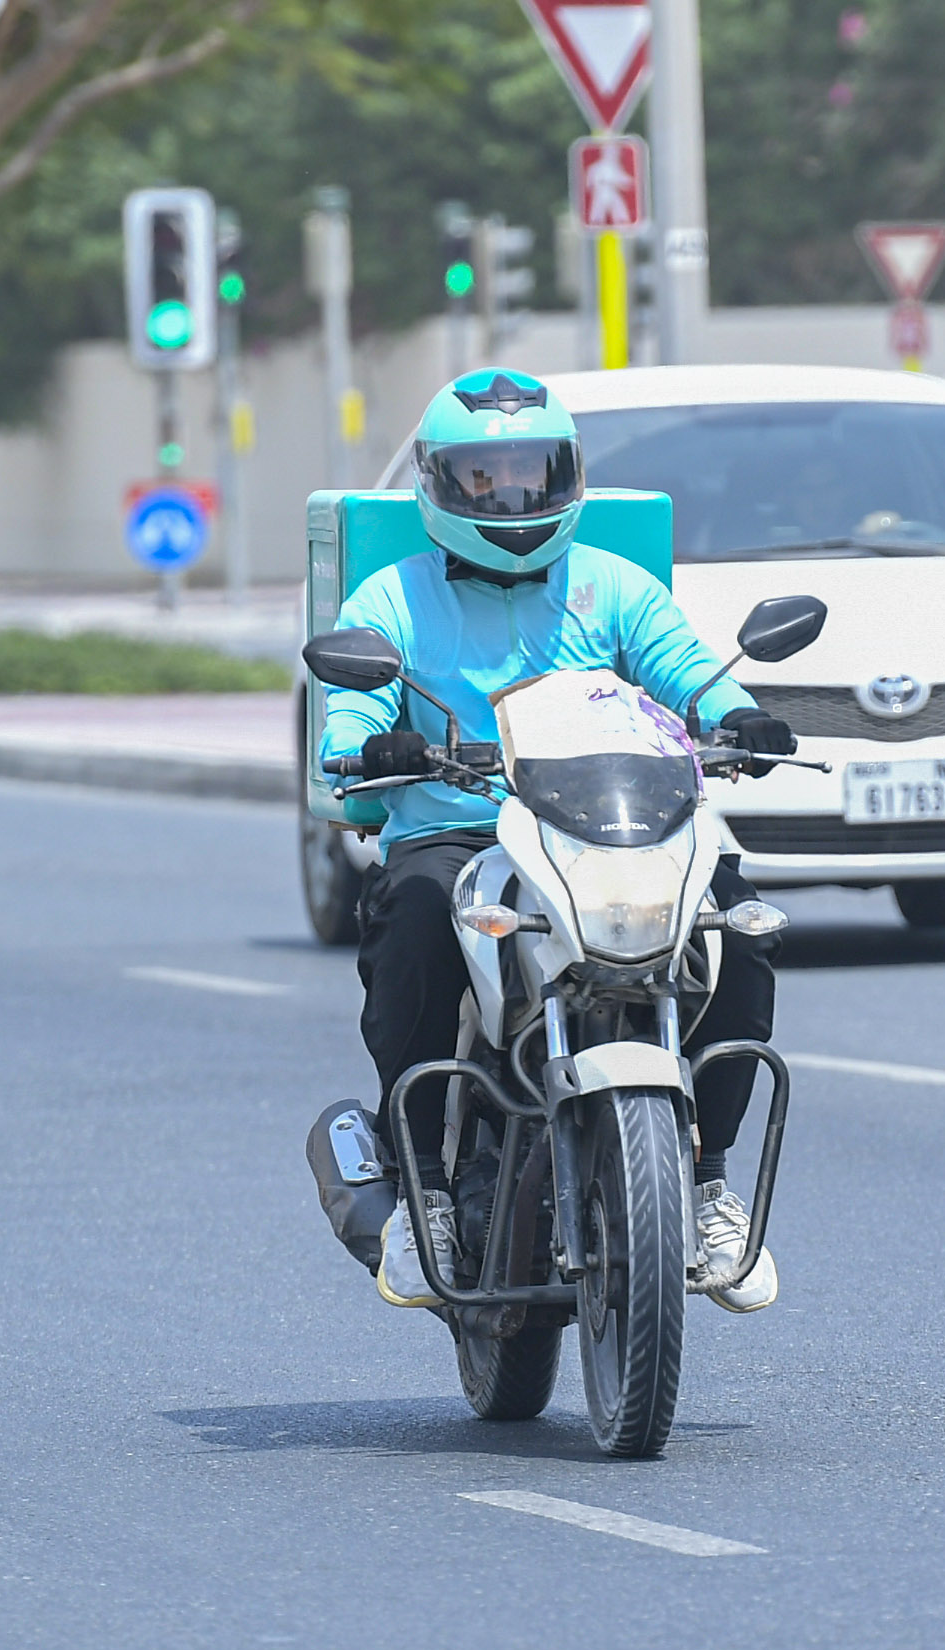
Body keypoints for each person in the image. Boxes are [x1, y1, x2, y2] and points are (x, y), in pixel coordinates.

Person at [318, 369, 799, 1315]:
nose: (512, 499)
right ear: (436, 485)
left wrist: (739, 715)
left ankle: (705, 1182)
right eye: (483, 480)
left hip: (609, 823)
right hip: (460, 828)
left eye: (533, 475)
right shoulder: (392, 599)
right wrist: (377, 742)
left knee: (736, 925)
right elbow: (346, 718)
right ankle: (423, 1191)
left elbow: (689, 670)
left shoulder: (612, 587)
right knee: (414, 916)